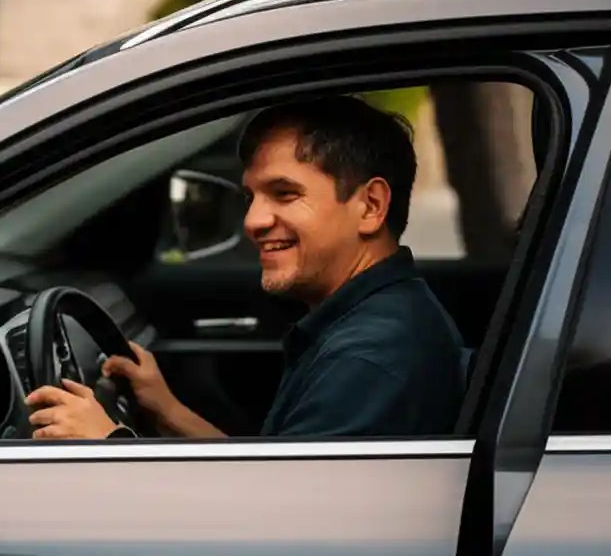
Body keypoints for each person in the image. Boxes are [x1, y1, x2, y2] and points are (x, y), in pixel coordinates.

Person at [25, 96, 467, 440]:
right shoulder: (371, 319)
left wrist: (106, 445)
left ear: (370, 206)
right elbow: (270, 485)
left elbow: (277, 533)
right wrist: (169, 410)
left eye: (285, 193)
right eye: (251, 197)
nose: (253, 221)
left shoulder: (368, 359)